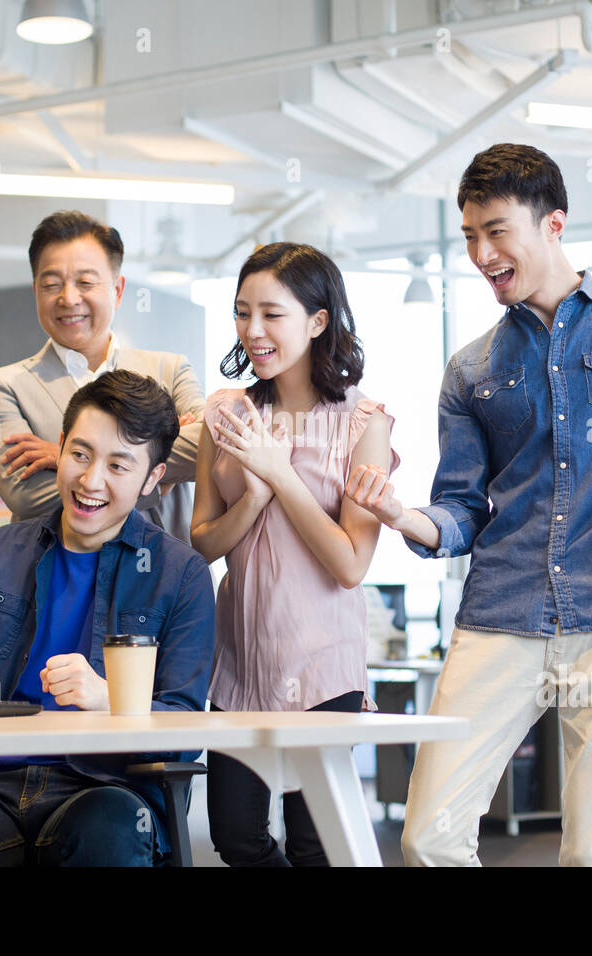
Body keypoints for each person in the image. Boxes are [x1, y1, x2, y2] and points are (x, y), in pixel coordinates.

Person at [346, 144, 592, 867]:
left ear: (553, 223)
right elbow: (461, 509)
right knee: (428, 837)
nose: (480, 253)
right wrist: (402, 516)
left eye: (496, 231)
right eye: (468, 236)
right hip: (502, 614)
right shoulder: (470, 369)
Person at [0, 370, 215, 867]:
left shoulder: (181, 573)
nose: (90, 480)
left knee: (108, 839)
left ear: (152, 478)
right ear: (59, 446)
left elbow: (186, 729)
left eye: (119, 466)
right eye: (79, 454)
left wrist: (110, 698)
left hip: (107, 788)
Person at [191, 242, 398, 867]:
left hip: (322, 663)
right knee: (235, 836)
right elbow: (203, 540)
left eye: (272, 314)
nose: (253, 331)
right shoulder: (225, 413)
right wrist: (251, 500)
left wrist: (280, 474)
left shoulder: (365, 424)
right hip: (239, 659)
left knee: (316, 844)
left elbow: (350, 565)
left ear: (318, 320)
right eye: (241, 312)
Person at [0, 211, 203, 541]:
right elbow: (26, 496)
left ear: (117, 289)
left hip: (161, 580)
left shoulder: (170, 370)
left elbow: (208, 451)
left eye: (85, 283)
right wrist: (153, 475)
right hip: (52, 583)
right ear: (35, 289)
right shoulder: (4, 386)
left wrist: (66, 457)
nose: (68, 298)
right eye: (52, 284)